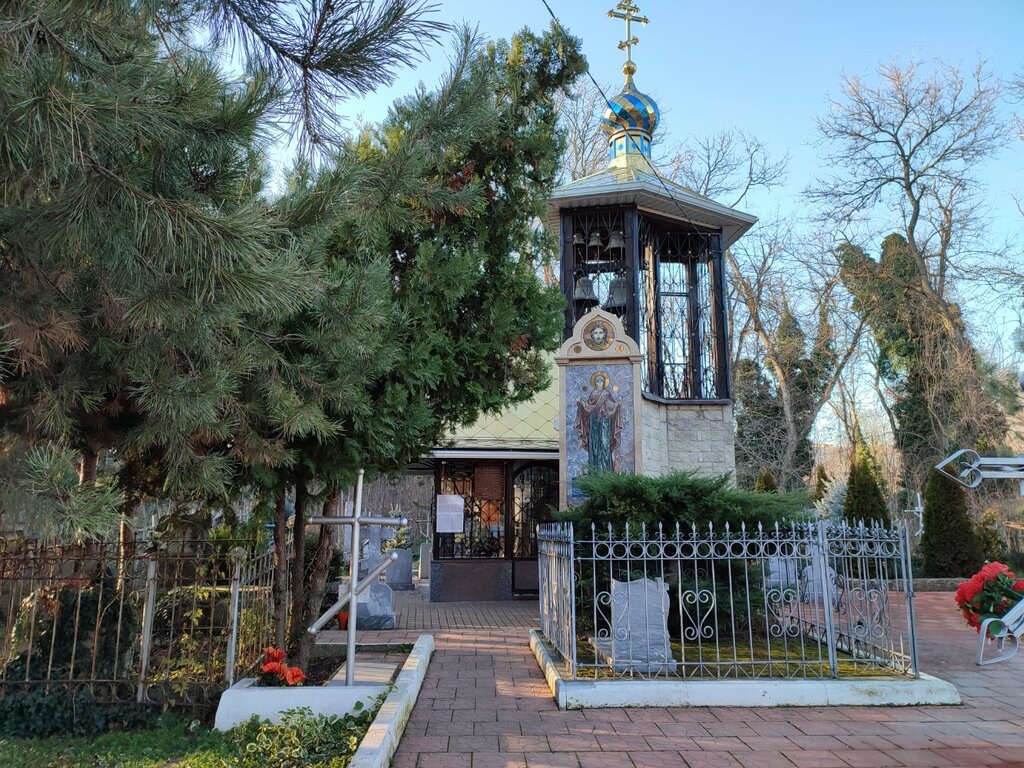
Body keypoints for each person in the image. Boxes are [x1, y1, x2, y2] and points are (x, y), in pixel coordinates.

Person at [575, 371, 622, 472]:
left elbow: (611, 407)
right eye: (597, 381)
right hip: (594, 423)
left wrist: (617, 403)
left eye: (601, 381)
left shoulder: (606, 394)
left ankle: (606, 471)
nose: (599, 383)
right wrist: (581, 402)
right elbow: (588, 407)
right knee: (594, 445)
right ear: (595, 383)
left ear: (604, 383)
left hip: (605, 422)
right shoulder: (593, 394)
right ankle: (594, 471)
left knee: (605, 444)